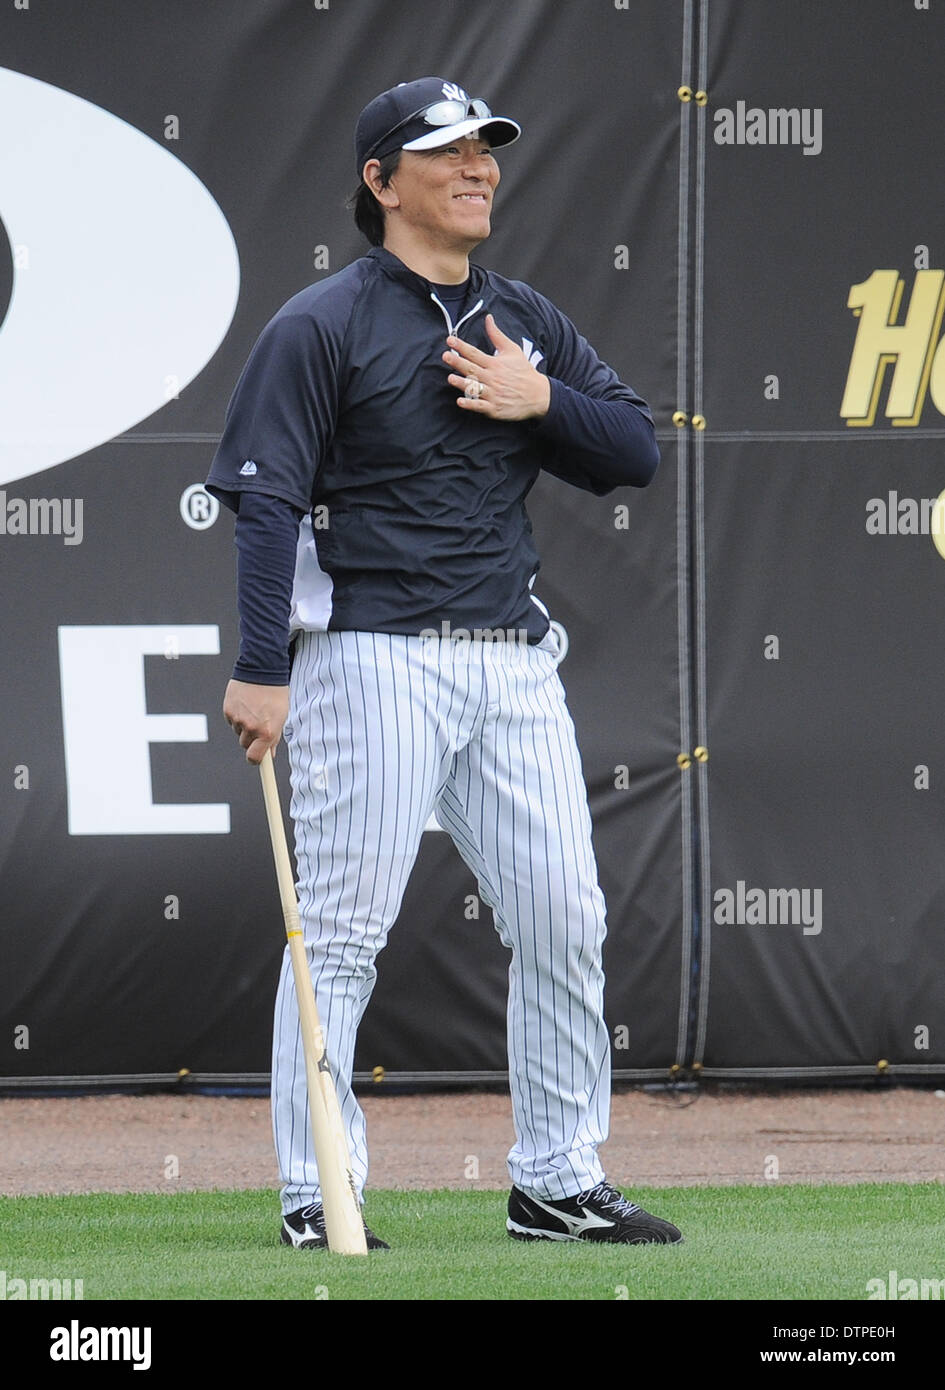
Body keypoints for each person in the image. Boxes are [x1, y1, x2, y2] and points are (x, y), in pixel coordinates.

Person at [206, 77, 682, 1249]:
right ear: (380, 181)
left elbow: (634, 449)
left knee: (565, 915)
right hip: (370, 657)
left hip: (513, 662)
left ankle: (557, 1179)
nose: (478, 168)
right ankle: (322, 1184)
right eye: (446, 152)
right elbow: (264, 503)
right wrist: (260, 666)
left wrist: (538, 397)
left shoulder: (520, 317)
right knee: (343, 931)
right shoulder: (321, 322)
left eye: (485, 150)